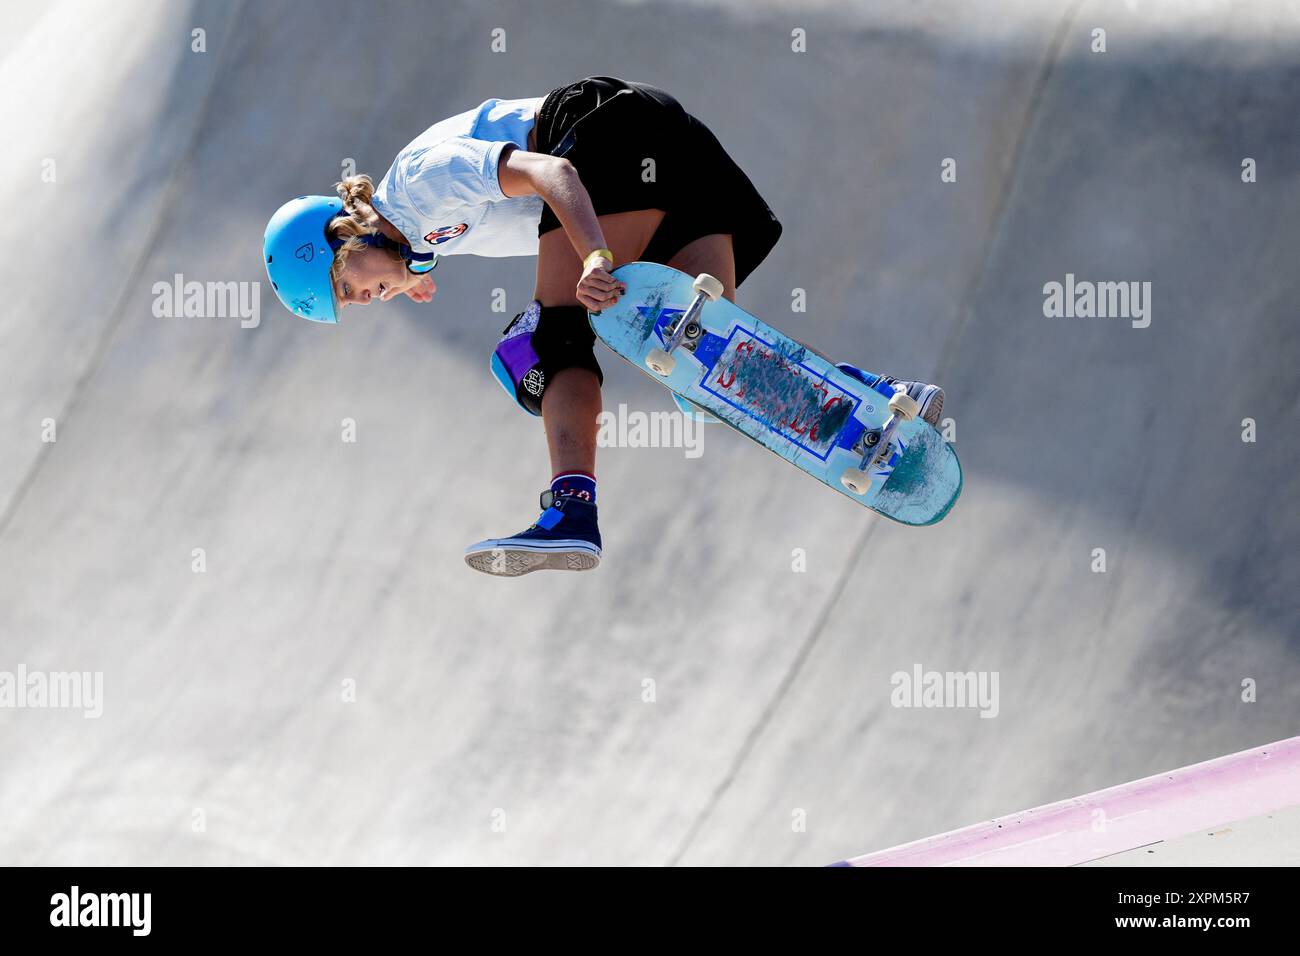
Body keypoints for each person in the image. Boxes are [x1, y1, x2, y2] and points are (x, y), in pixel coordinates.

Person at [263, 76, 945, 577]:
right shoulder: (416, 224)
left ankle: (571, 510)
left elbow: (553, 170)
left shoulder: (416, 181)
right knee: (707, 370)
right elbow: (429, 236)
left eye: (348, 293)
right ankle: (879, 405)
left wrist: (593, 251)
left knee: (542, 342)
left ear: (340, 242)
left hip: (613, 133)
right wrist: (408, 273)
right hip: (680, 159)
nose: (363, 303)